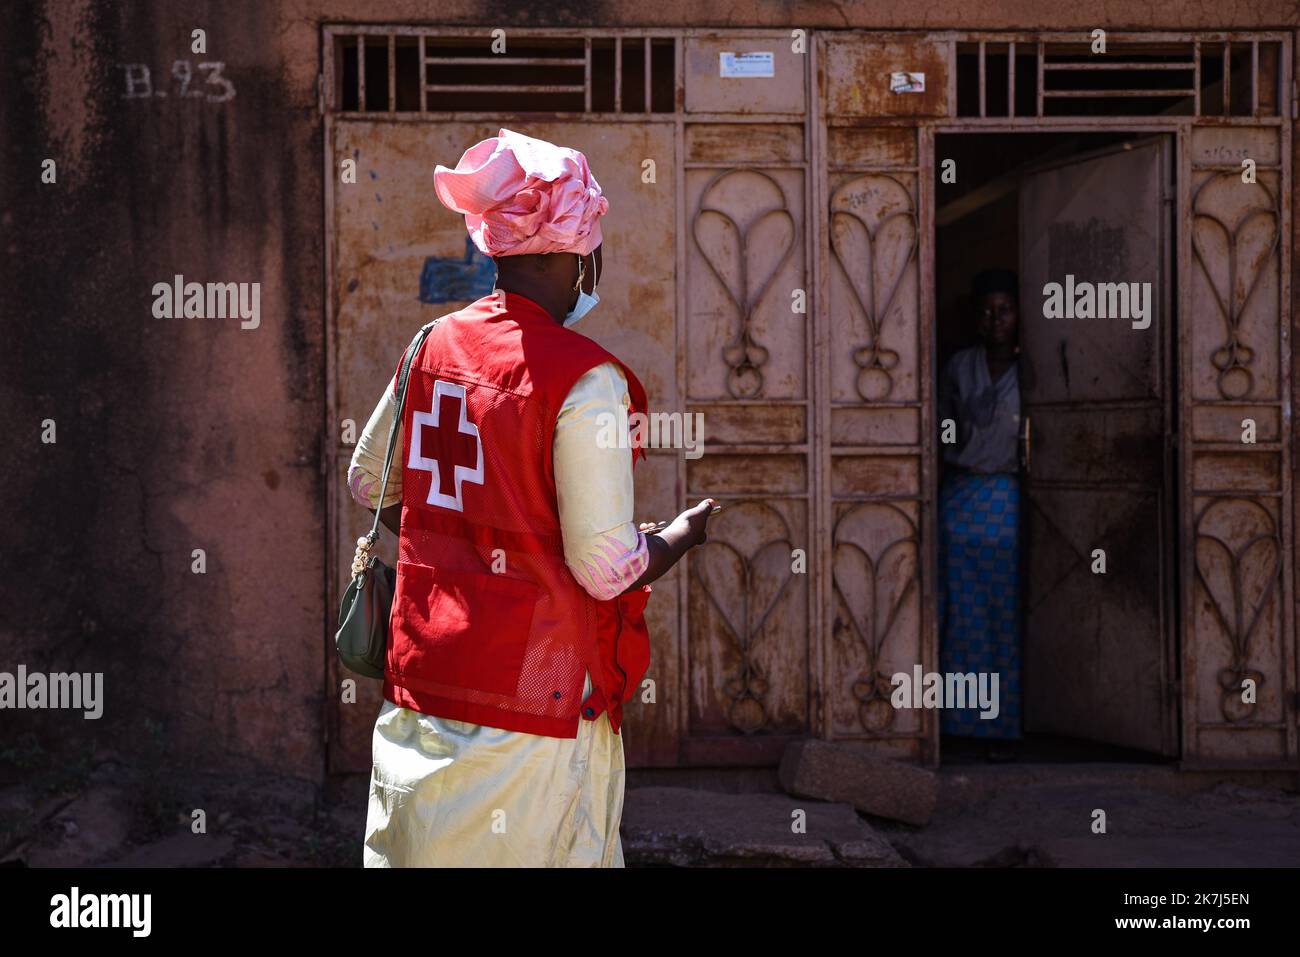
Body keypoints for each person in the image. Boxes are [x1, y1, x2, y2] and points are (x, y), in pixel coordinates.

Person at [347, 128, 714, 866]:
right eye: (590, 250)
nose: (592, 267)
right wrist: (676, 536)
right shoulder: (585, 380)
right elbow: (605, 566)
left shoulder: (429, 345)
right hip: (534, 701)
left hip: (424, 680)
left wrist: (476, 543)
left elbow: (370, 481)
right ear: (560, 255)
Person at [936, 268, 1023, 742]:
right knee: (962, 622)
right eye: (987, 312)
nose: (995, 320)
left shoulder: (1035, 369)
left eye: (1004, 311)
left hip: (1006, 504)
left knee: (1003, 620)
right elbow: (940, 431)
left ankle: (1002, 729)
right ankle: (961, 727)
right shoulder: (959, 367)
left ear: (1019, 315)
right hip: (960, 503)